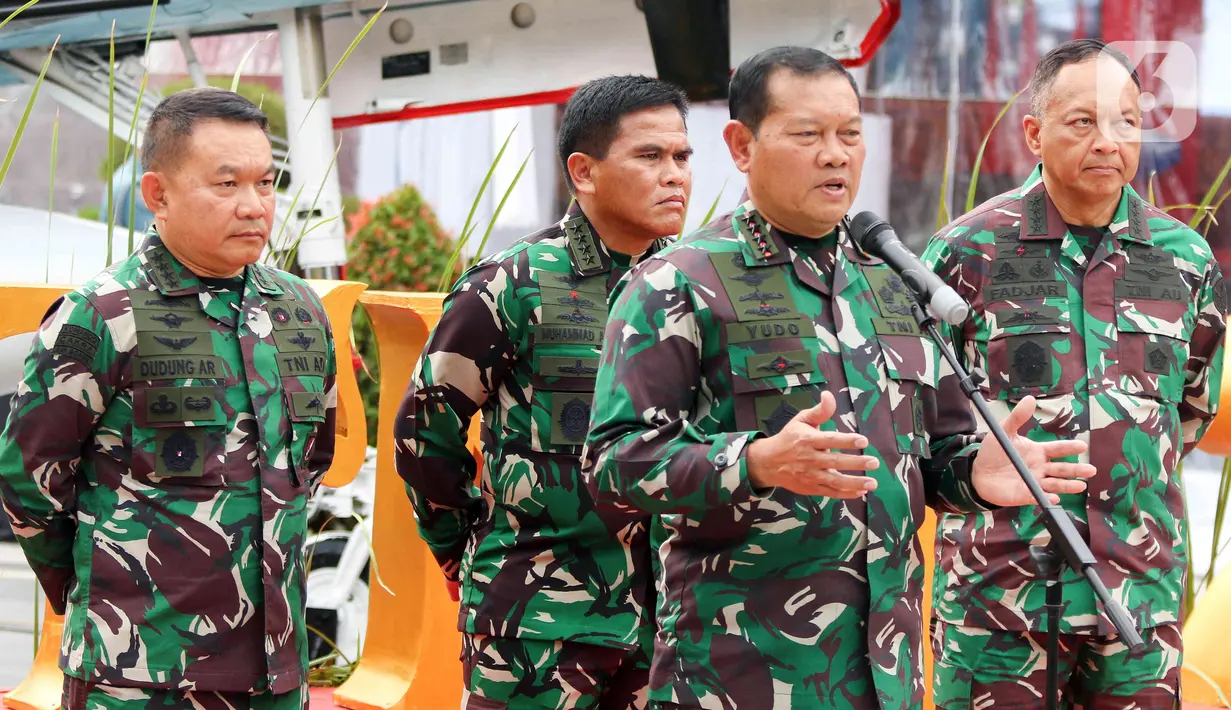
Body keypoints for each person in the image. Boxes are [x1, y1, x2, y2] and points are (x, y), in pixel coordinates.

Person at [580, 45, 1098, 710]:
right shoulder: (676, 284)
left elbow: (936, 453)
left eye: (849, 134)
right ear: (741, 146)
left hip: (886, 680)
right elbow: (613, 464)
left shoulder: (893, 286)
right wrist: (755, 462)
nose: (835, 155)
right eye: (808, 135)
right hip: (739, 681)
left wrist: (974, 474)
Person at [0, 86, 338, 710]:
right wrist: (96, 587)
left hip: (275, 672)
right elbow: (29, 477)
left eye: (265, 183)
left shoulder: (299, 310)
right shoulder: (101, 314)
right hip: (140, 674)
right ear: (158, 194)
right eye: (227, 184)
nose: (254, 206)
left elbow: (310, 461)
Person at [922, 38, 1227, 708]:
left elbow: (1188, 410)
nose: (1107, 141)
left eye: (1124, 121)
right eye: (1082, 121)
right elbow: (920, 421)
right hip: (1000, 602)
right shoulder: (966, 252)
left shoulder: (1184, 259)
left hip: (1139, 598)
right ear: (1034, 133)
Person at [394, 74, 693, 709]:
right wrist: (457, 550)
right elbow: (424, 432)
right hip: (536, 624)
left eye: (681, 156)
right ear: (584, 171)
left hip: (670, 626)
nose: (674, 175)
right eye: (650, 155)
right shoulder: (514, 283)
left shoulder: (692, 288)